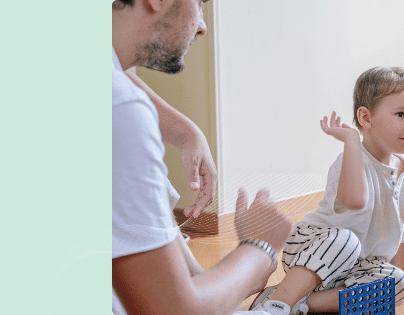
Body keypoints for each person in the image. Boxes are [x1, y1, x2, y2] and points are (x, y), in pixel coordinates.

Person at [111, 0, 294, 314]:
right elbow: (174, 310)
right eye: (199, 3)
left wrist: (186, 132)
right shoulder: (119, 111)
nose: (201, 26)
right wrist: (259, 249)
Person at [248, 67, 404, 315]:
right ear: (365, 118)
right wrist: (351, 141)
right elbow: (356, 200)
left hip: (356, 268)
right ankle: (278, 303)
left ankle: (296, 302)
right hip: (315, 251)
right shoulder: (349, 160)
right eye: (401, 114)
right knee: (347, 241)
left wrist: (402, 282)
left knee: (398, 286)